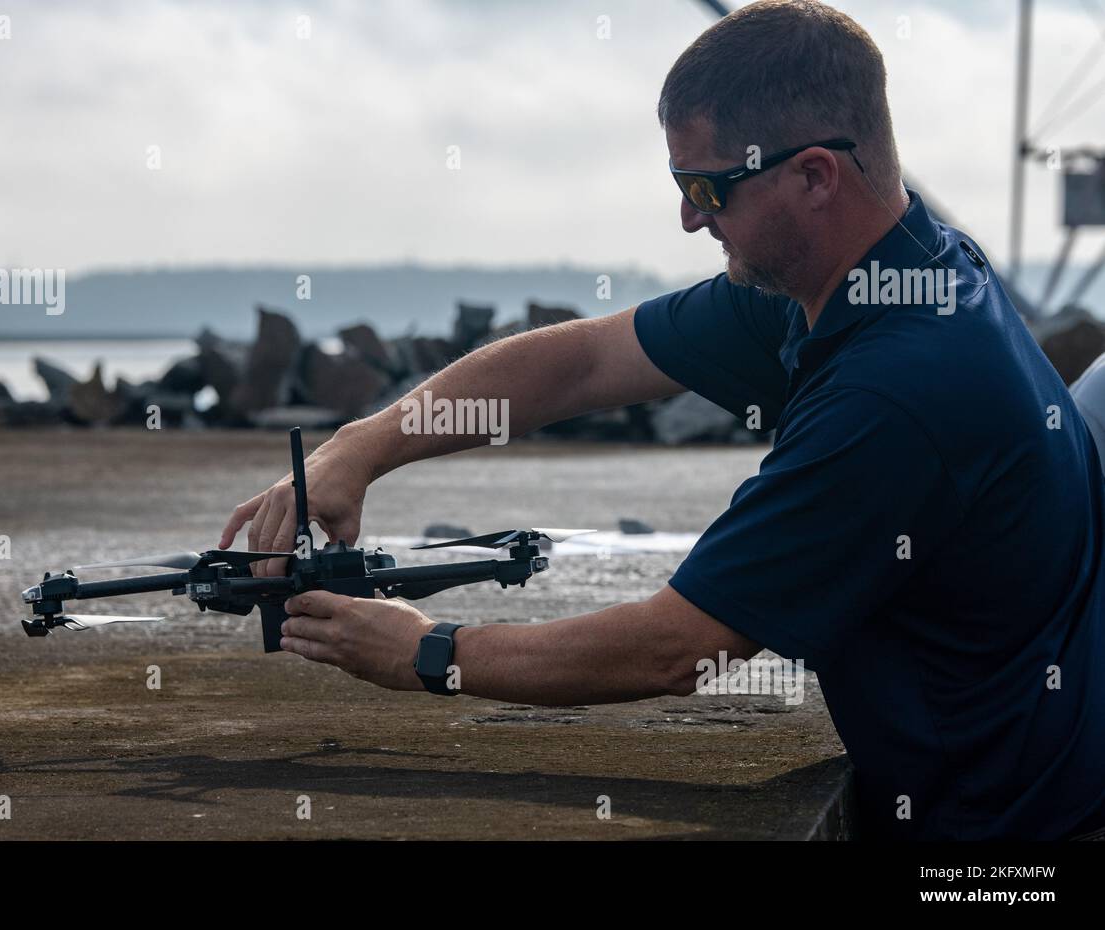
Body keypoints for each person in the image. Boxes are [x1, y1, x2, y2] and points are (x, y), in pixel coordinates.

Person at [219, 0, 1105, 840]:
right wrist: (358, 449)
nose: (688, 218)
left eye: (708, 189)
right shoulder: (878, 274)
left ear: (814, 177)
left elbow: (677, 650)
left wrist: (428, 650)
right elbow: (585, 362)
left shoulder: (895, 394)